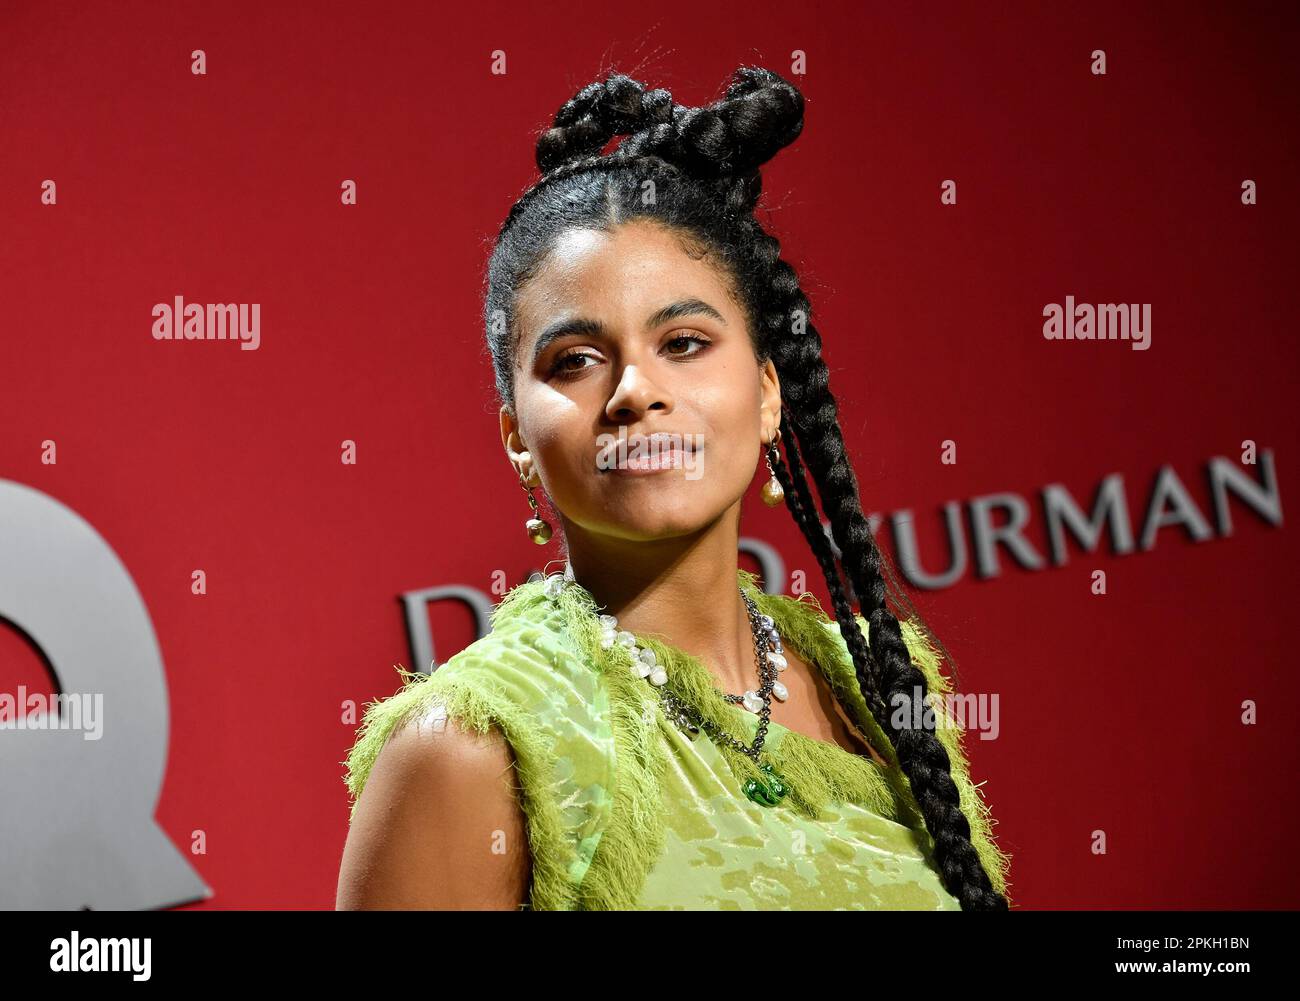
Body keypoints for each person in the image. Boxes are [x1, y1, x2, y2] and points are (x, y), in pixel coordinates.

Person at [336, 66, 1012, 911]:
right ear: (516, 437)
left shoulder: (881, 685)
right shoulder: (468, 750)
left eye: (684, 342)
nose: (634, 390)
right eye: (574, 360)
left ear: (769, 393)